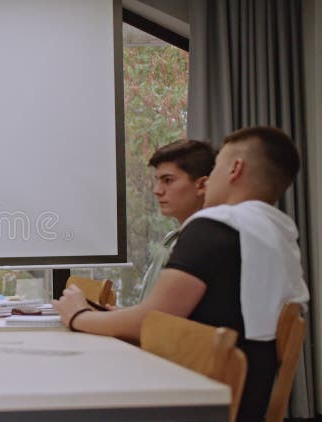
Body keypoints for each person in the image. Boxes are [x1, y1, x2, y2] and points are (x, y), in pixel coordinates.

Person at [53, 126, 309, 421]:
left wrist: (78, 316)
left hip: (196, 397)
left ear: (235, 168)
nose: (209, 179)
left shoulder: (215, 227)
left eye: (218, 167)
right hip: (243, 397)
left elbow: (149, 321)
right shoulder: (277, 233)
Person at [136, 139, 215, 302]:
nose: (157, 191)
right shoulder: (172, 239)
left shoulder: (205, 242)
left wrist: (79, 314)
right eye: (157, 180)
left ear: (201, 185)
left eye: (168, 181)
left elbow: (158, 320)